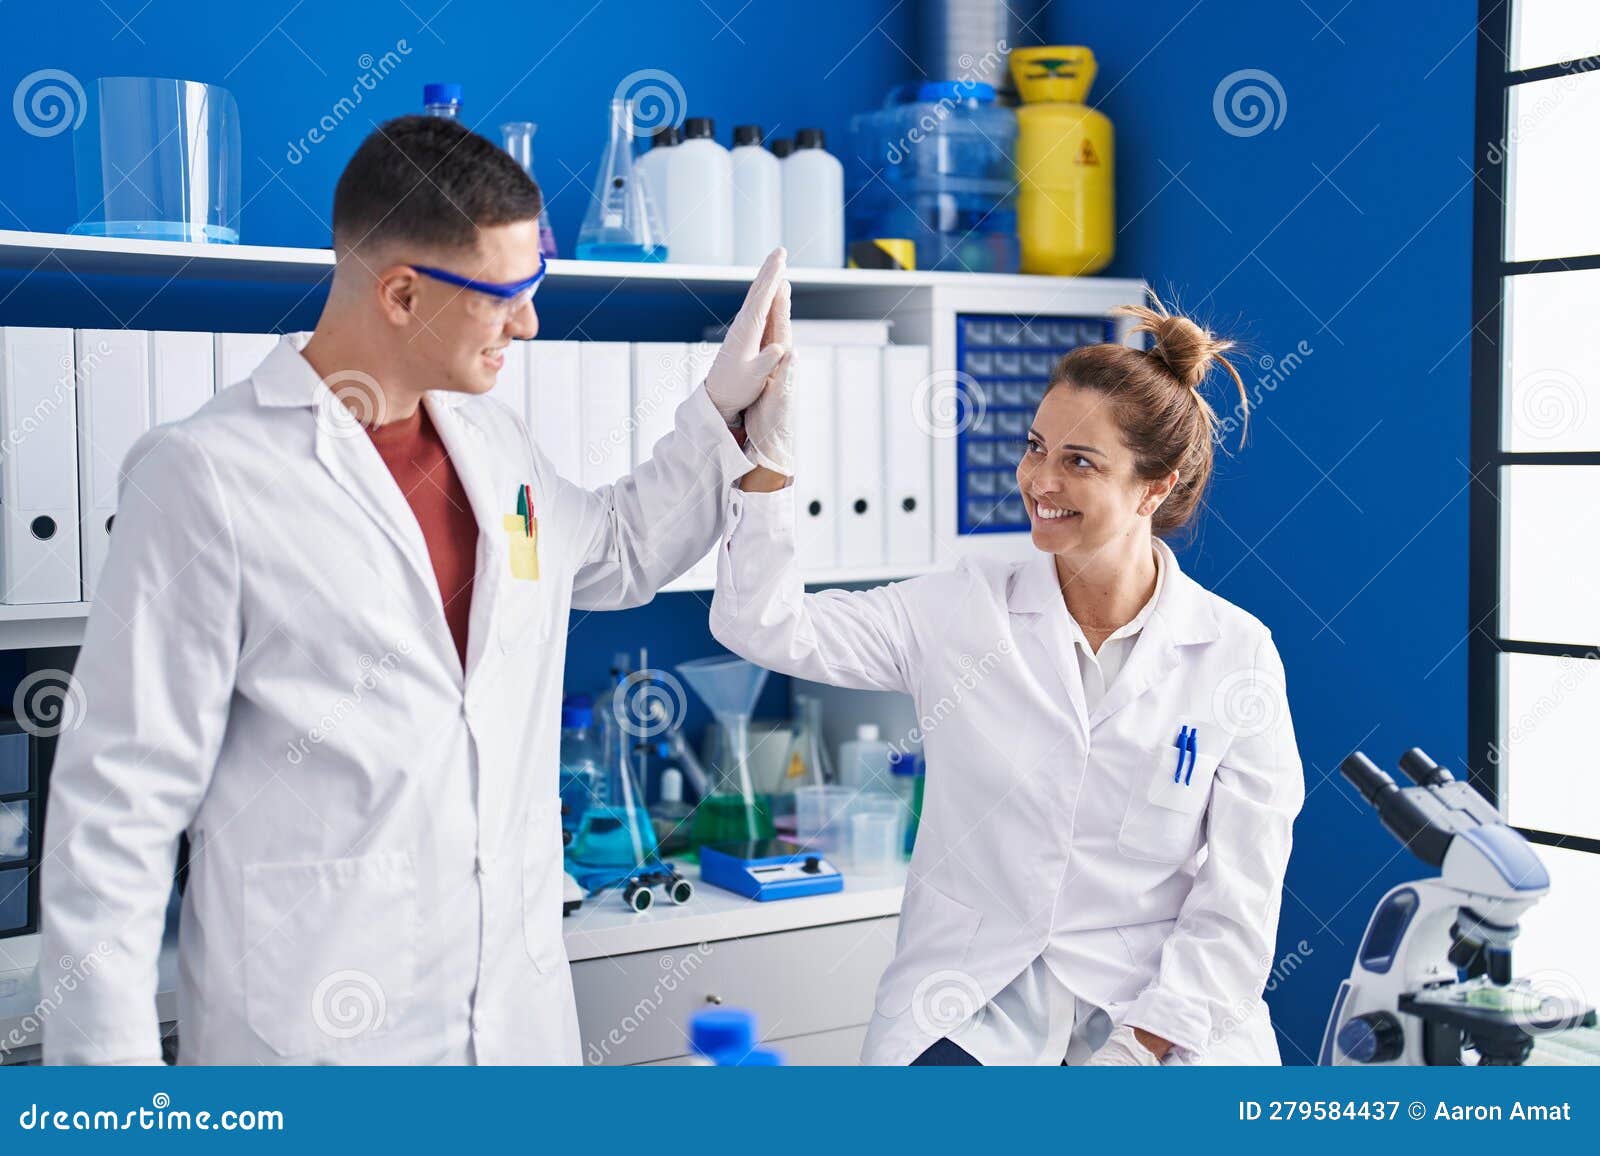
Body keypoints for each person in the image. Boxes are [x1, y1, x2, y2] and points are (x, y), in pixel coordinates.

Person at [40, 116, 792, 1064]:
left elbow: (618, 549)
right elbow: (115, 816)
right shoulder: (204, 477)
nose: (529, 320)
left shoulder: (493, 445)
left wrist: (723, 414)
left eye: (535, 286)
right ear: (401, 292)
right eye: (507, 295)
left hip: (514, 1028)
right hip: (315, 1041)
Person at [712, 299, 1305, 1065]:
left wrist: (1138, 1052)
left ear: (1154, 488)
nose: (1038, 479)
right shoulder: (962, 606)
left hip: (1156, 1009)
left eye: (1079, 462)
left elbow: (1239, 905)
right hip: (971, 1005)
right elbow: (761, 623)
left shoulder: (1234, 653)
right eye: (1036, 447)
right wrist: (769, 453)